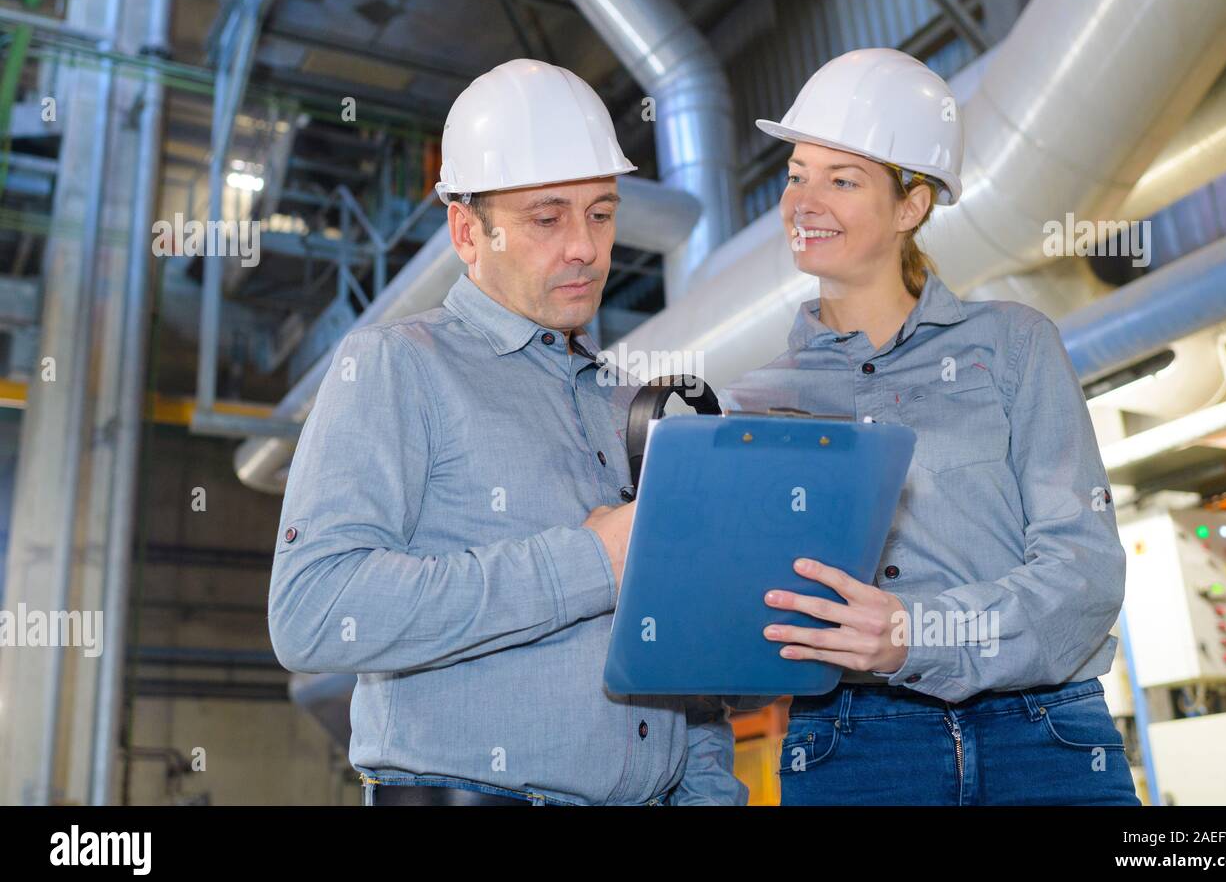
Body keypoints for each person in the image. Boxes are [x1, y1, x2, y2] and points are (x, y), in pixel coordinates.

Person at [268, 58, 745, 806]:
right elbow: (316, 612)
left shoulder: (623, 399)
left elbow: (674, 652)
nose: (585, 247)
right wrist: (593, 559)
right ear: (467, 230)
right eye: (547, 219)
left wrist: (709, 790)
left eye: (601, 212)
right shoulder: (396, 367)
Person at [722, 48, 1139, 805]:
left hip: (1043, 735)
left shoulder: (1013, 346)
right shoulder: (757, 403)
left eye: (841, 180)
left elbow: (1085, 572)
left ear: (912, 207)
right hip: (851, 744)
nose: (803, 201)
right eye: (796, 174)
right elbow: (751, 614)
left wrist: (920, 632)